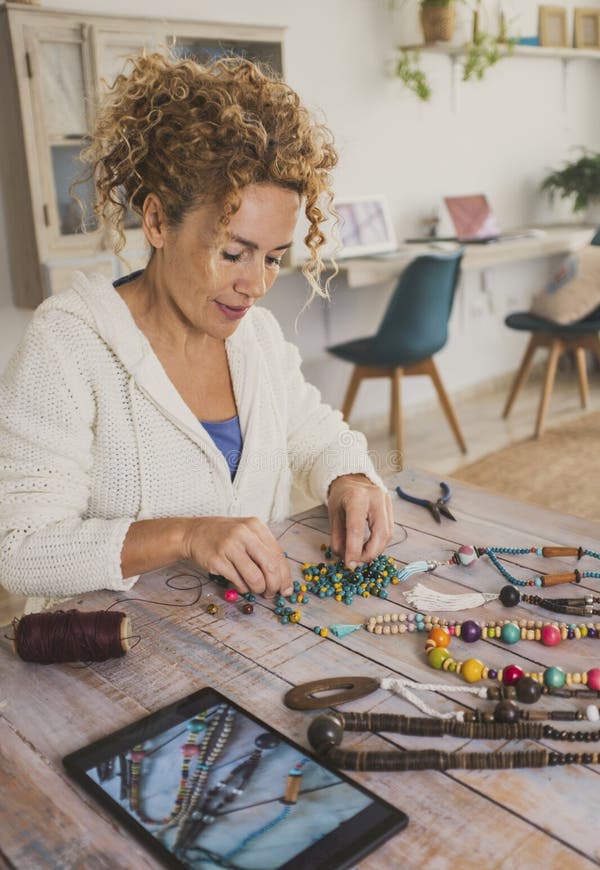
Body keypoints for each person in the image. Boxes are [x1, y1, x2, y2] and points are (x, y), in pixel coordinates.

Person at [0, 52, 392, 602]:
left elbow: (312, 431)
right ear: (158, 221)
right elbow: (18, 550)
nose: (255, 285)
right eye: (233, 253)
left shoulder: (255, 337)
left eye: (274, 257)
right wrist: (186, 534)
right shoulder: (67, 347)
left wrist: (348, 477)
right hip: (111, 663)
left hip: (250, 645)